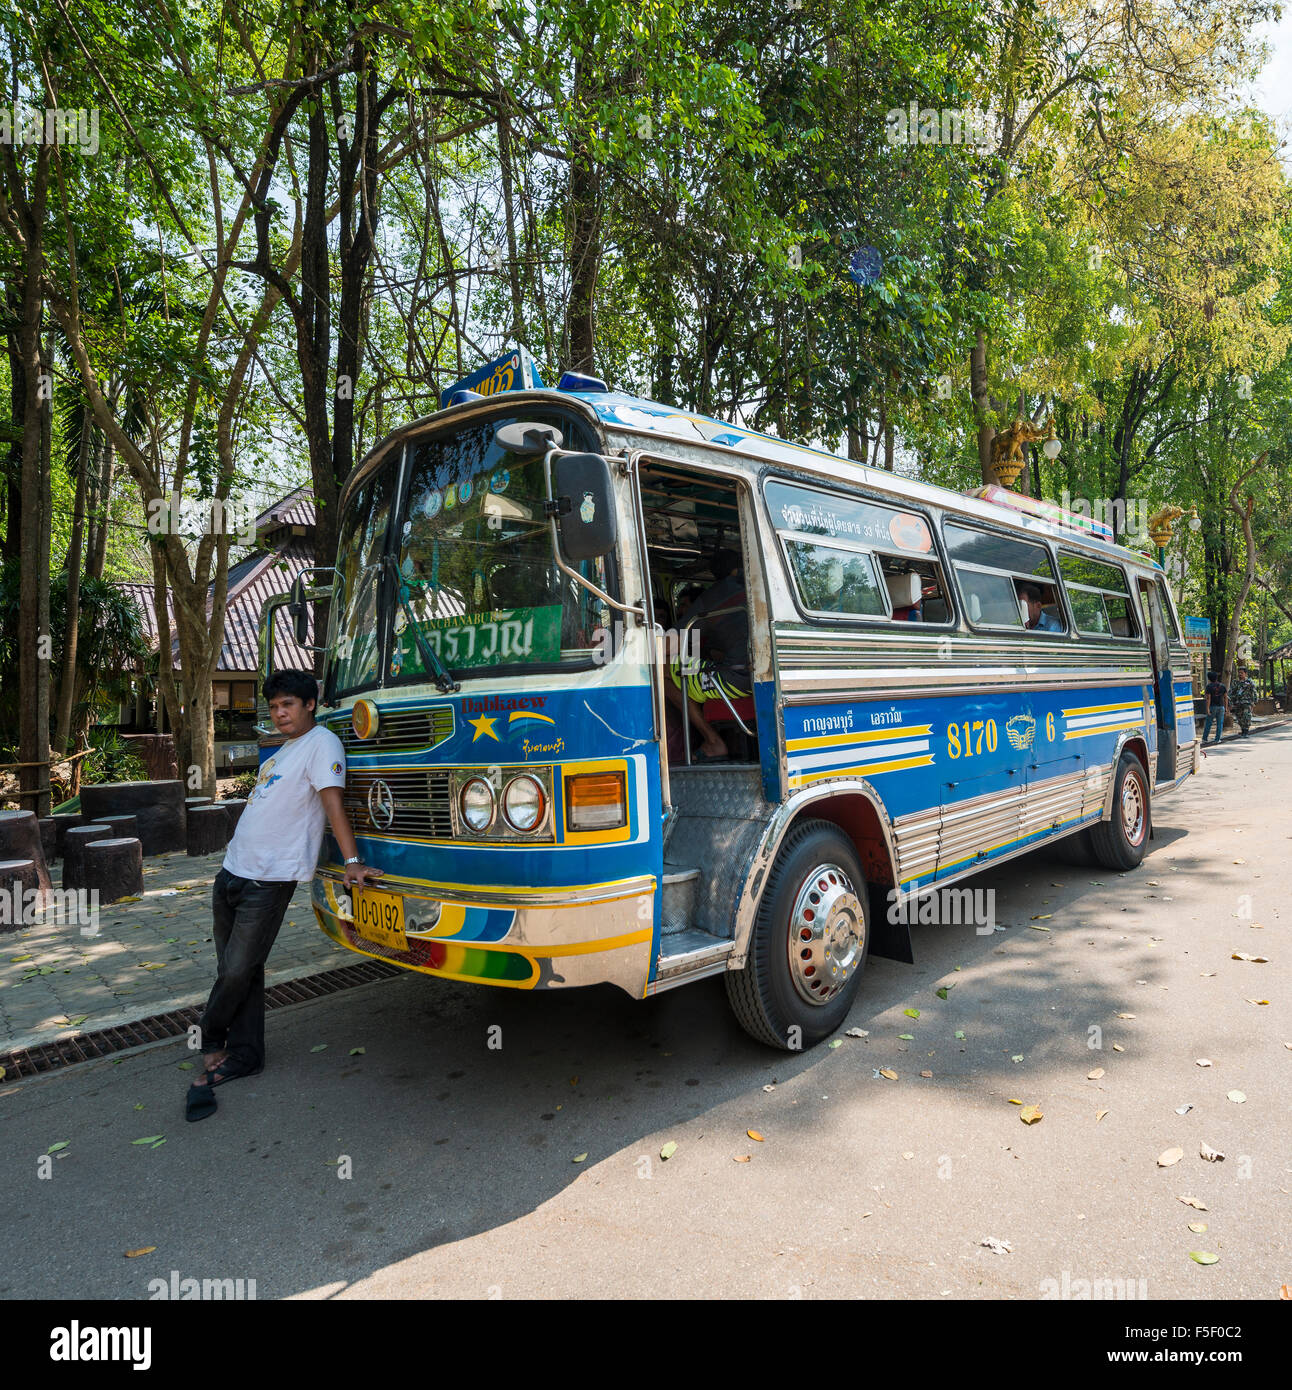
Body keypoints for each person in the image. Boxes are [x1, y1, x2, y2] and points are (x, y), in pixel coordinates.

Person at [186, 668, 383, 1122]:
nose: (279, 714)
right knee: (240, 971)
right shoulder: (282, 751)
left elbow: (333, 804)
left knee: (236, 970)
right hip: (232, 872)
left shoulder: (322, 745)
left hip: (268, 881)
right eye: (274, 707)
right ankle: (245, 1055)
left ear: (309, 704)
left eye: (287, 705)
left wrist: (352, 862)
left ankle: (210, 1036)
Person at [662, 549, 751, 761]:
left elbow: (669, 643)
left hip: (735, 680)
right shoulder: (756, 585)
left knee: (662, 670)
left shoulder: (715, 595)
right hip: (761, 678)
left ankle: (713, 740)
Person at [1230, 664, 1257, 736]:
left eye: (1242, 673)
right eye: (1239, 672)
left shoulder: (1249, 682)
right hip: (1237, 703)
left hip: (1247, 702)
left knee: (1246, 716)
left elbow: (1254, 692)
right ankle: (1243, 730)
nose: (1240, 674)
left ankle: (1246, 731)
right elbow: (1231, 692)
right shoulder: (1235, 682)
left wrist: (1254, 701)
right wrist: (1231, 703)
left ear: (1245, 673)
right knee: (1239, 717)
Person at [1202, 669, 1227, 745]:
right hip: (1221, 707)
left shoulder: (1209, 687)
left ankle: (1205, 738)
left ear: (1209, 678)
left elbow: (1208, 698)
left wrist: (1207, 708)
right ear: (1216, 678)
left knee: (1208, 723)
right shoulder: (1222, 686)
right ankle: (1217, 739)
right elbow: (1225, 697)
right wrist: (1226, 708)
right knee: (1220, 723)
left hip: (1212, 707)